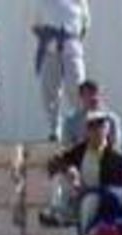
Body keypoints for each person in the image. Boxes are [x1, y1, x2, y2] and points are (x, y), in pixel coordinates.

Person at [44, 111, 122, 235]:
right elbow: (54, 162)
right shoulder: (80, 150)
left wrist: (88, 190)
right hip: (77, 191)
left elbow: (117, 189)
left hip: (98, 196)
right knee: (59, 178)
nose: (96, 131)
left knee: (89, 201)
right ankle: (58, 213)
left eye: (100, 127)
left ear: (106, 130)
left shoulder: (116, 157)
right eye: (91, 127)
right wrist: (70, 169)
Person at [33, 0, 89, 142]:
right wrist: (49, 36)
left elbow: (85, 26)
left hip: (72, 47)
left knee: (77, 87)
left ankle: (80, 127)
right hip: (50, 48)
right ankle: (54, 129)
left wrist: (70, 38)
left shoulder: (80, 2)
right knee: (50, 91)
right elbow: (35, 25)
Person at [59, 77, 122, 151]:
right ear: (81, 96)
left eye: (96, 93)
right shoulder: (71, 121)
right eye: (89, 94)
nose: (94, 97)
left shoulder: (112, 119)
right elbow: (66, 146)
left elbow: (116, 144)